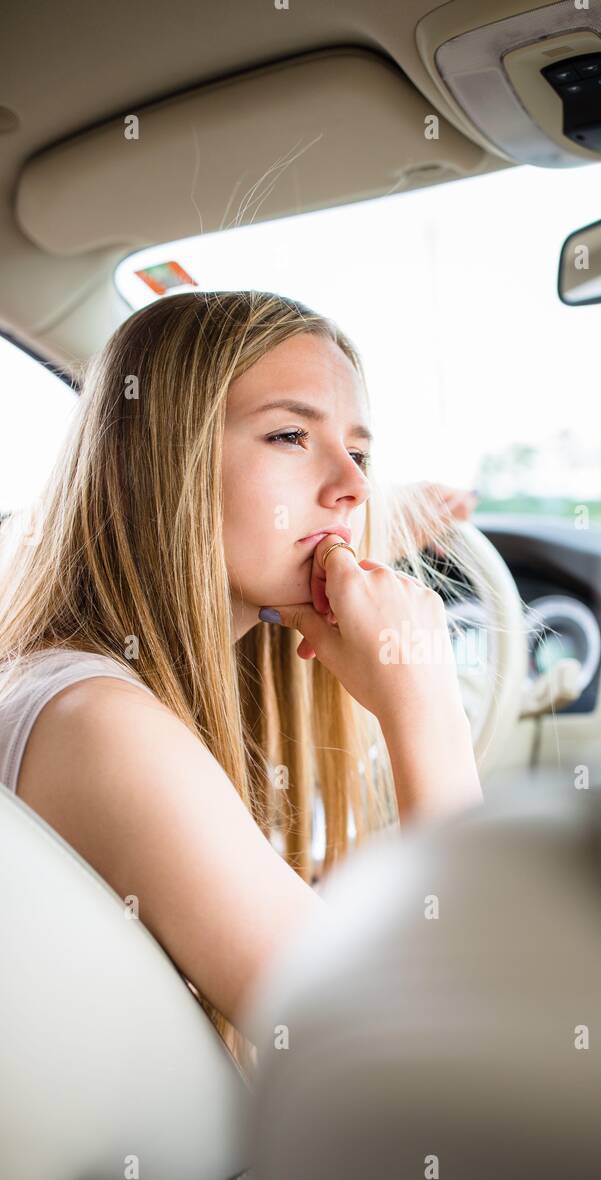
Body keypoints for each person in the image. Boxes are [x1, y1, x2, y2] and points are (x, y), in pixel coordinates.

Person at [0, 289, 483, 1075]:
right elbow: (422, 1067)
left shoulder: (77, 687)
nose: (352, 487)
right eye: (291, 435)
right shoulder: (101, 724)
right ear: (156, 462)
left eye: (359, 454)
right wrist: (426, 709)